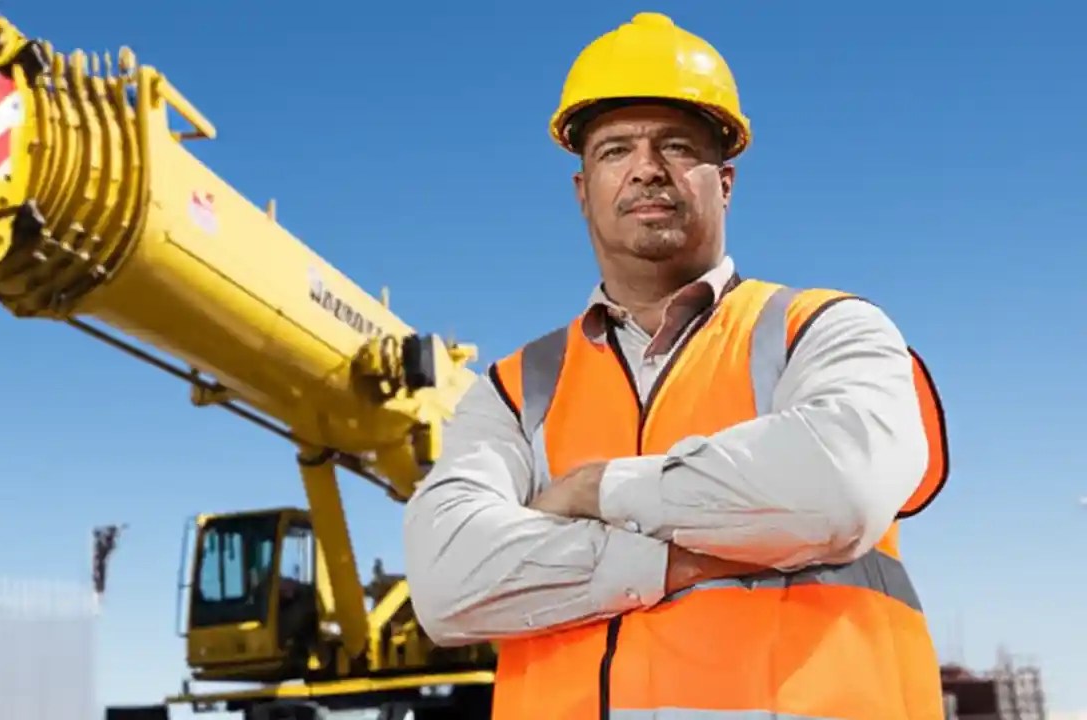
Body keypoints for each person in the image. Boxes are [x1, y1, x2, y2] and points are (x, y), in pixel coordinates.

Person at [402, 11, 951, 720]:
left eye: (675, 145)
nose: (646, 168)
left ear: (725, 182)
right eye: (615, 149)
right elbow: (448, 583)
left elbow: (837, 489)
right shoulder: (512, 391)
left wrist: (596, 490)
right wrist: (678, 560)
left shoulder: (824, 330)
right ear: (581, 190)